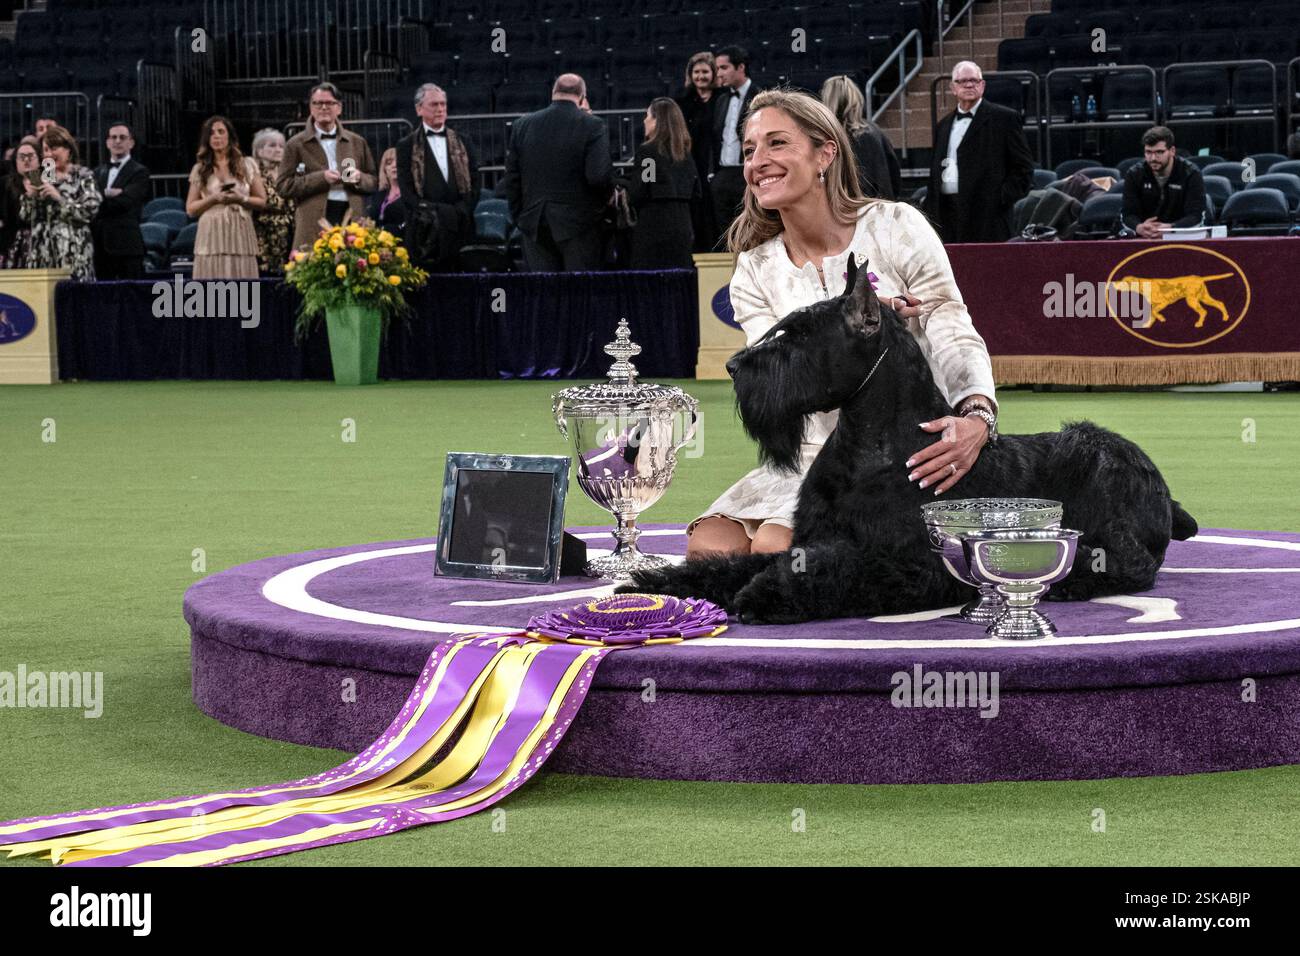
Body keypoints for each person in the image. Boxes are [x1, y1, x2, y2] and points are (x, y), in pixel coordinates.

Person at [687, 89, 998, 558]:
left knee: (777, 549)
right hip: (812, 455)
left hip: (897, 450)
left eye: (776, 143)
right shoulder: (754, 268)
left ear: (825, 154)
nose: (757, 162)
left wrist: (976, 416)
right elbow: (781, 382)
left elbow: (952, 327)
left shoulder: (896, 225)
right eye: (749, 150)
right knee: (709, 548)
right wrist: (856, 330)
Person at [504, 73, 614, 272]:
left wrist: (521, 217)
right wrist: (600, 209)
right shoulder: (593, 125)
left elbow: (511, 179)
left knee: (544, 289)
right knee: (580, 289)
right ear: (582, 97)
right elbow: (598, 177)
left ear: (553, 93)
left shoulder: (522, 125)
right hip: (580, 224)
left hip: (534, 223)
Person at [924, 61, 1034, 243]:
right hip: (948, 216)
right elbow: (935, 172)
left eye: (974, 80)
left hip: (989, 217)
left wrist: (999, 199)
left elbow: (1024, 168)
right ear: (953, 88)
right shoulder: (943, 125)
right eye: (962, 81)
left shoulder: (1005, 118)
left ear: (982, 85)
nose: (969, 85)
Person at [277, 82, 377, 253]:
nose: (323, 107)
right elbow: (283, 186)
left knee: (353, 266)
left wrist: (359, 178)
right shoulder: (296, 144)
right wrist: (321, 178)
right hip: (313, 219)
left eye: (329, 103)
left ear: (339, 108)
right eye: (318, 103)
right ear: (311, 108)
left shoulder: (357, 142)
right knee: (314, 265)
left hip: (353, 217)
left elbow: (374, 182)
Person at [395, 83, 479, 270]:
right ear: (419, 109)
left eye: (443, 104)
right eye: (434, 104)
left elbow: (475, 181)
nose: (440, 109)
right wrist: (433, 212)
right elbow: (407, 190)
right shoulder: (406, 145)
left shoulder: (463, 141)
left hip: (461, 226)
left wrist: (463, 209)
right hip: (425, 233)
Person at [185, 115, 267, 278]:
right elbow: (191, 209)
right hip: (210, 233)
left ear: (230, 136)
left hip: (240, 229)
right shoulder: (200, 169)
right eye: (211, 133)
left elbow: (261, 201)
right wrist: (213, 199)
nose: (216, 136)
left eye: (221, 132)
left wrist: (240, 199)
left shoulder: (247, 165)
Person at [623, 98, 699, 268]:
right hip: (683, 226)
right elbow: (697, 192)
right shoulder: (686, 154)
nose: (644, 120)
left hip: (653, 227)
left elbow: (641, 188)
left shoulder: (648, 152)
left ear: (658, 121)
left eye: (648, 116)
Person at [20, 124, 101, 280]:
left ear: (68, 149)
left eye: (54, 148)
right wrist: (30, 197)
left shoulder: (83, 176)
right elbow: (26, 217)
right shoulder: (39, 177)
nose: (49, 154)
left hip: (74, 251)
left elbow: (89, 212)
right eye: (46, 150)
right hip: (42, 253)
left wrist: (59, 198)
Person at [709, 45, 761, 248]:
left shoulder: (759, 95)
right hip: (723, 174)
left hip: (747, 172)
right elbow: (716, 138)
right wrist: (713, 173)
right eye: (717, 68)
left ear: (740, 67)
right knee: (725, 232)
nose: (719, 73)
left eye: (724, 67)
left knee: (753, 226)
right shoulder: (721, 99)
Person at [821, 75, 900, 201]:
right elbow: (894, 175)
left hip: (847, 206)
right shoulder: (875, 131)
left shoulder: (827, 137)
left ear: (827, 100)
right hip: (879, 204)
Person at [1122, 126, 1207, 238]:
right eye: (1148, 152)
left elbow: (1195, 216)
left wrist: (1171, 228)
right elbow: (1127, 214)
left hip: (1180, 237)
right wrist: (1138, 227)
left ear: (1172, 151)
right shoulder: (1134, 174)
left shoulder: (1190, 173)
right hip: (1145, 236)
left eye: (1159, 152)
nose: (1153, 158)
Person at [90, 123, 150, 279]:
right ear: (107, 143)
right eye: (113, 137)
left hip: (127, 245)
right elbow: (89, 202)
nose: (117, 141)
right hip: (100, 246)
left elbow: (125, 202)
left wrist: (100, 197)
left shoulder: (140, 171)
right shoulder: (97, 172)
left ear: (131, 143)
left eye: (122, 137)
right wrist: (110, 194)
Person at [675, 52, 719, 251]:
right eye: (696, 72)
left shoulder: (722, 98)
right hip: (691, 162)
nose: (700, 76)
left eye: (705, 72)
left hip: (715, 161)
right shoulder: (682, 100)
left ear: (713, 73)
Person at [250, 127, 295, 275]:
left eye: (281, 146)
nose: (278, 150)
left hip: (289, 234)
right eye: (272, 145)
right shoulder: (253, 174)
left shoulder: (289, 173)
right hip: (263, 234)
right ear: (259, 151)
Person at [1, 138, 39, 266]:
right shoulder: (5, 184)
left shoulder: (46, 183)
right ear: (15, 161)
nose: (26, 160)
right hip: (12, 245)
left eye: (31, 156)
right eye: (22, 157)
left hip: (40, 243)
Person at [366, 147, 409, 236]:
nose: (394, 165)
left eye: (398, 161)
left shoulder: (411, 194)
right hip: (377, 241)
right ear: (384, 170)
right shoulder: (379, 195)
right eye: (389, 163)